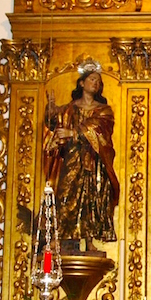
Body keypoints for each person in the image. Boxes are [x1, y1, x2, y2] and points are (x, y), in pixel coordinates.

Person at [43, 61, 118, 247]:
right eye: (92, 79)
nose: (95, 83)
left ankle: (89, 240)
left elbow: (100, 128)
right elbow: (56, 122)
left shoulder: (103, 110)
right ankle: (59, 237)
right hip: (72, 158)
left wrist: (73, 133)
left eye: (98, 81)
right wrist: (51, 110)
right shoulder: (70, 108)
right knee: (66, 193)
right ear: (82, 83)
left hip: (93, 161)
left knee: (91, 198)